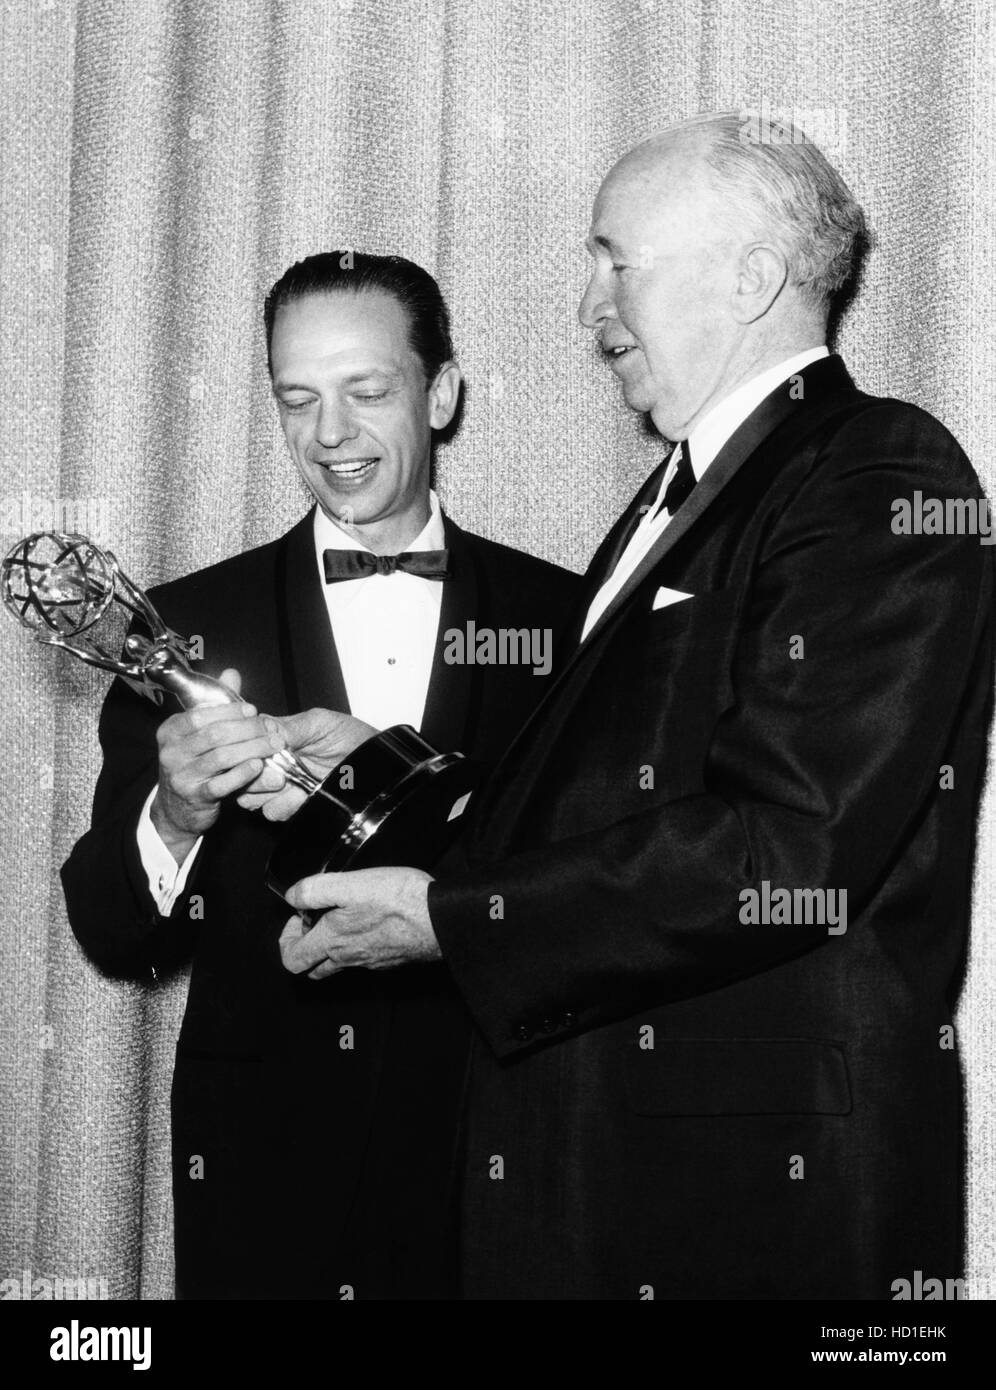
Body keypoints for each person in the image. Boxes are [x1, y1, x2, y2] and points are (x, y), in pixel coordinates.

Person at [256, 116, 994, 1299]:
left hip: (749, 1205)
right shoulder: (679, 494)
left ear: (753, 277)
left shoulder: (880, 474)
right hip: (608, 1186)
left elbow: (787, 841)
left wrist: (454, 919)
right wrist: (382, 764)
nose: (587, 306)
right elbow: (606, 802)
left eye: (615, 261)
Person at [61, 251, 579, 1299]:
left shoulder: (570, 622)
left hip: (502, 1167)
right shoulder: (181, 630)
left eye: (367, 391)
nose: (329, 435)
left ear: (442, 394)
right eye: (297, 399)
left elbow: (608, 895)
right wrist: (176, 810)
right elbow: (111, 932)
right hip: (267, 1178)